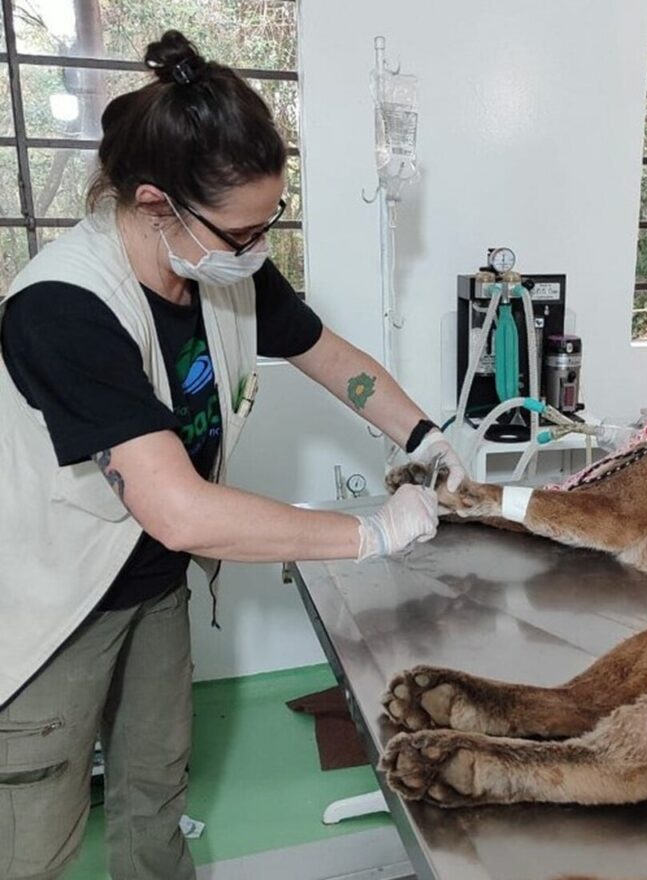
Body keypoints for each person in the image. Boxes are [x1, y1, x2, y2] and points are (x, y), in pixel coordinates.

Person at [0, 31, 464, 880]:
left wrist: (424, 435)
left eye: (269, 223)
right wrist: (371, 533)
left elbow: (331, 357)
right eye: (244, 230)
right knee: (33, 835)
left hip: (151, 586)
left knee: (153, 793)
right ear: (155, 204)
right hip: (50, 603)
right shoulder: (63, 309)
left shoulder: (224, 267)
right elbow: (179, 510)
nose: (258, 249)